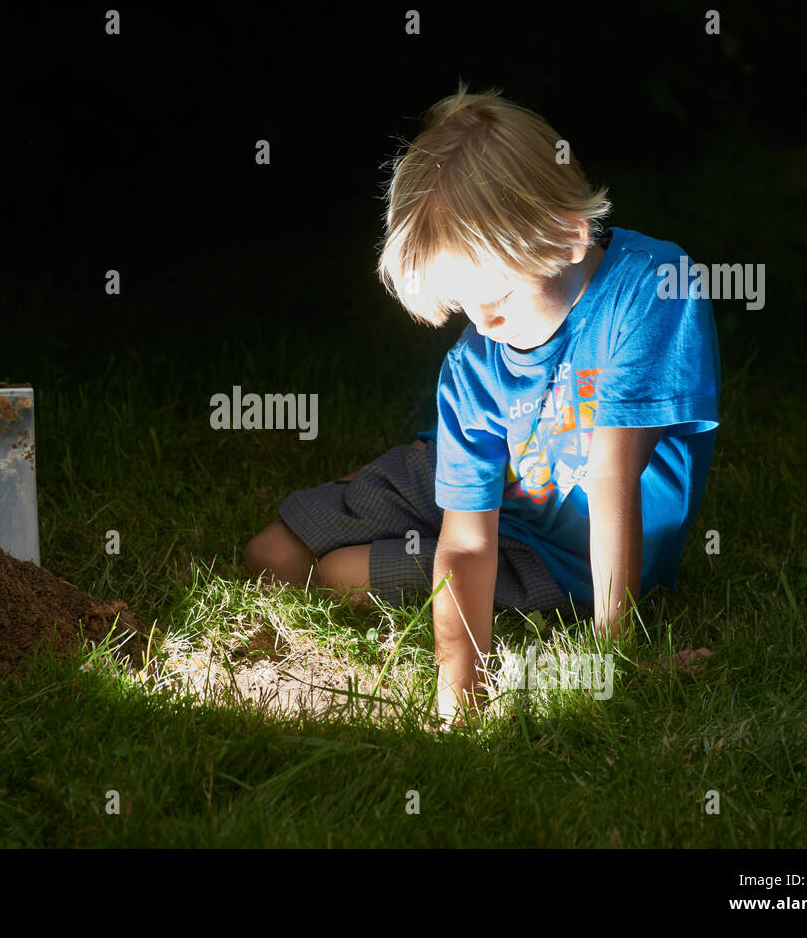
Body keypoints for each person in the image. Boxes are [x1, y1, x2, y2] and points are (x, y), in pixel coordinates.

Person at [244, 83, 721, 725]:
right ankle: (426, 479)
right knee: (270, 557)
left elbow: (613, 478)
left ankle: (425, 506)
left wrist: (617, 653)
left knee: (336, 575)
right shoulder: (474, 363)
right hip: (495, 490)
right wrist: (459, 689)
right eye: (465, 306)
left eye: (496, 297)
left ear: (568, 238)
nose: (483, 324)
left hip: (566, 552)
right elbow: (467, 543)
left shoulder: (652, 291)